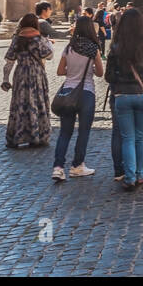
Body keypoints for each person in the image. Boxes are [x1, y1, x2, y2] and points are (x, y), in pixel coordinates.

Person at [105, 8, 143, 191]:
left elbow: (108, 76)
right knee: (141, 137)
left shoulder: (115, 46)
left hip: (122, 95)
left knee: (127, 138)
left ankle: (129, 178)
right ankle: (140, 174)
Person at [51, 15, 104, 181]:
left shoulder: (69, 48)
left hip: (68, 91)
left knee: (65, 133)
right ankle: (77, 165)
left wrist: (72, 73)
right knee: (83, 131)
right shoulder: (93, 48)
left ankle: (58, 167)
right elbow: (100, 73)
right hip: (86, 92)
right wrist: (88, 71)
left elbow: (60, 71)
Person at [2, 14, 54, 148]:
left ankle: (17, 136)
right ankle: (38, 135)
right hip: (36, 74)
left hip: (20, 74)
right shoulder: (38, 38)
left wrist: (5, 79)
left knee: (19, 104)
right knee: (38, 102)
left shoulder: (17, 39)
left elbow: (9, 62)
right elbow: (49, 56)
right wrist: (47, 42)